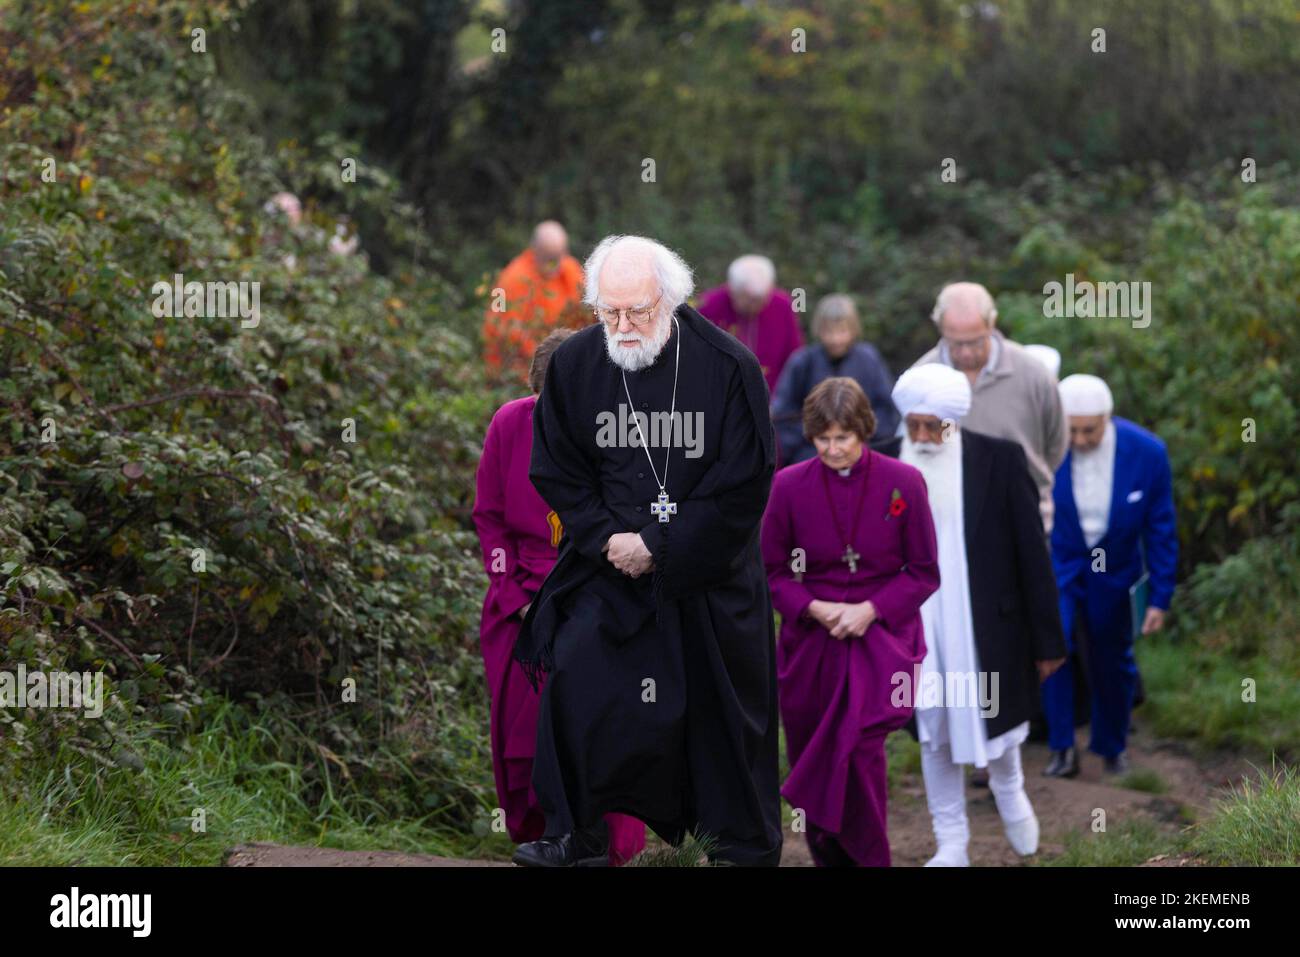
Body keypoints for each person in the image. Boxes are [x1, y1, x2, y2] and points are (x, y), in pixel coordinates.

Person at [511, 234, 783, 867]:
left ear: (671, 299)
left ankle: (740, 850)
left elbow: (744, 486)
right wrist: (608, 537)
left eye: (638, 311)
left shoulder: (727, 366)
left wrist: (661, 544)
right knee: (576, 679)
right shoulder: (578, 365)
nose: (624, 326)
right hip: (608, 564)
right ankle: (574, 835)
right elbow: (556, 468)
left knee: (721, 722)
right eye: (610, 312)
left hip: (704, 572)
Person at [878, 365, 1066, 866]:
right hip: (920, 623)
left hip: (985, 618)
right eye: (914, 424)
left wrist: (1048, 639)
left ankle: (1009, 788)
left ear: (953, 421)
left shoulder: (999, 460)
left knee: (997, 722)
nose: (922, 436)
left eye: (932, 426)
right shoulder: (887, 461)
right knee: (933, 726)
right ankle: (952, 841)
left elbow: (1032, 551)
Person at [472, 330, 647, 865]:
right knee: (522, 730)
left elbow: (632, 520)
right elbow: (490, 519)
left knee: (598, 724)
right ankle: (544, 835)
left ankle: (599, 845)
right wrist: (516, 595)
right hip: (520, 597)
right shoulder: (509, 423)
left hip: (596, 591)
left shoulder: (620, 429)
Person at [761, 377, 939, 866]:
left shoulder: (903, 482)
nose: (833, 449)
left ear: (864, 431)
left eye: (843, 438)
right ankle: (828, 860)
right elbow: (772, 572)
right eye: (823, 439)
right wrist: (813, 608)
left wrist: (870, 610)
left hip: (881, 642)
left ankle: (871, 859)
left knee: (860, 755)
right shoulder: (787, 486)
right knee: (813, 760)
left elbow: (923, 573)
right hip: (810, 645)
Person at [1041, 375, 1178, 777]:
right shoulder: (1044, 446)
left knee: (1113, 657)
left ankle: (1112, 745)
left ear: (1108, 418)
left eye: (1090, 430)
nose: (1080, 440)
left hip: (1115, 567)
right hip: (1062, 562)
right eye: (1072, 430)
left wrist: (1160, 596)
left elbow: (1161, 527)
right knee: (1055, 648)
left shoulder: (1148, 452)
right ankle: (1062, 747)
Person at [912, 282, 1067, 534]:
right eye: (956, 343)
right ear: (940, 328)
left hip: (1023, 518)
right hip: (948, 523)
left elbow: (1055, 443)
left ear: (991, 323)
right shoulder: (921, 378)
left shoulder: (1033, 374)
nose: (965, 353)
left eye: (975, 342)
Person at [771, 294, 899, 464]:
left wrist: (860, 435)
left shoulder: (868, 360)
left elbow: (887, 409)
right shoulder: (803, 362)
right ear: (818, 330)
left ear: (854, 330)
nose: (835, 339)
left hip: (863, 448)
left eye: (842, 331)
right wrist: (815, 435)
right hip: (811, 452)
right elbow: (783, 413)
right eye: (828, 331)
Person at [482, 220, 586, 383]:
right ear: (534, 250)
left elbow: (585, 313)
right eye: (548, 258)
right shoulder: (508, 280)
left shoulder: (572, 271)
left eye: (558, 257)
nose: (554, 265)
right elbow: (496, 324)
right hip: (521, 375)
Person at [696, 254, 804, 394]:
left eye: (762, 299)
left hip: (774, 399)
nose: (756, 306)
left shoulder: (782, 305)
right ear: (733, 290)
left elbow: (794, 355)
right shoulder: (708, 305)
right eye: (750, 300)